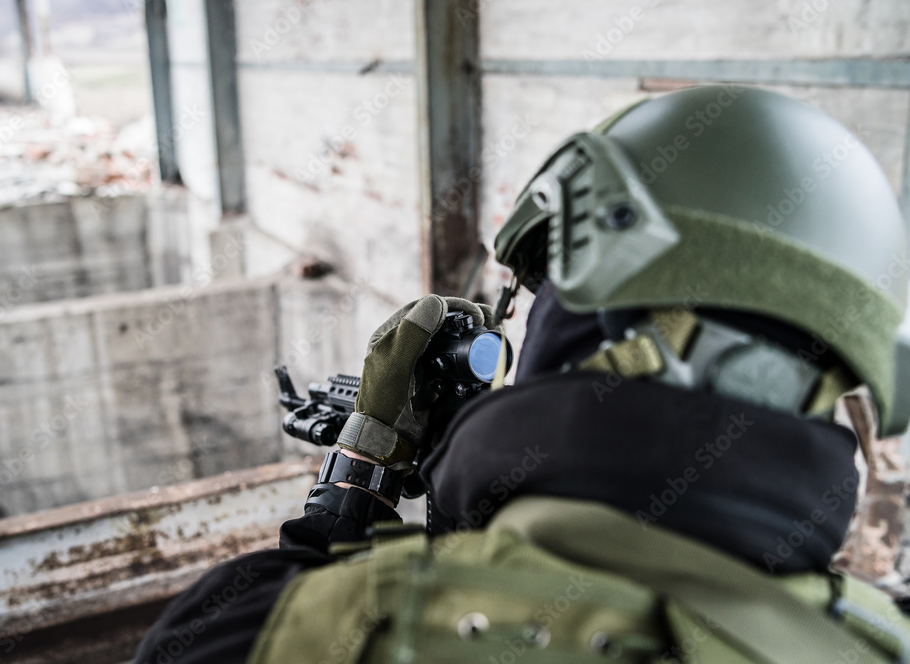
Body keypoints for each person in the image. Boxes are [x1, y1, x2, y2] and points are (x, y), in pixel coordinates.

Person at [133, 85, 910, 663]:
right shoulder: (874, 637)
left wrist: (358, 478)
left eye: (548, 298)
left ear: (612, 327)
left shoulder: (286, 629)